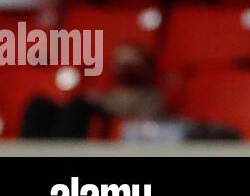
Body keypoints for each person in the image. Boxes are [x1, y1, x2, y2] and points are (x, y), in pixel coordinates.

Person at [21, 42, 167, 138]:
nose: (125, 68)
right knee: (39, 105)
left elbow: (143, 119)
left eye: (131, 63)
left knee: (77, 108)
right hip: (93, 107)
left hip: (105, 119)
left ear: (145, 67)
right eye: (120, 63)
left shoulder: (152, 97)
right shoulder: (108, 91)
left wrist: (99, 103)